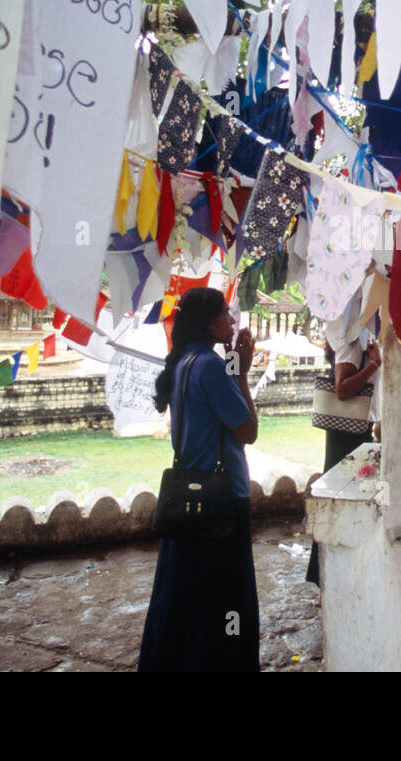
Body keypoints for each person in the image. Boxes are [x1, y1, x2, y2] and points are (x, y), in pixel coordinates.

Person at [138, 287, 259, 672]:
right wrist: (240, 374)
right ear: (210, 322)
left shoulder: (185, 362)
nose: (233, 320)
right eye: (227, 313)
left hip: (188, 496)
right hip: (223, 498)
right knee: (225, 596)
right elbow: (248, 430)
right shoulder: (209, 366)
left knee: (184, 597)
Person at [305, 333, 381, 586]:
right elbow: (342, 390)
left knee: (347, 497)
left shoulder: (359, 341)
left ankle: (332, 573)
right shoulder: (350, 345)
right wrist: (373, 365)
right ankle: (325, 575)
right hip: (347, 435)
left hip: (353, 432)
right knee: (341, 498)